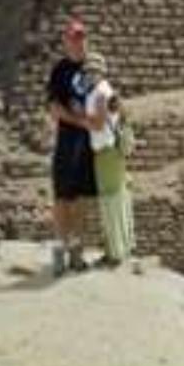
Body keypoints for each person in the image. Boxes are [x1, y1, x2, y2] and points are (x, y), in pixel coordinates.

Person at [45, 17, 99, 274]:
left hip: (89, 146)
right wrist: (81, 120)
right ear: (66, 42)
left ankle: (77, 253)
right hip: (68, 144)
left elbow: (103, 104)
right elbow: (55, 109)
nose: (79, 42)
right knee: (62, 199)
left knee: (81, 200)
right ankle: (59, 251)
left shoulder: (93, 71)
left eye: (82, 37)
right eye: (74, 38)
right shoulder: (60, 71)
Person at [80, 52, 135, 267]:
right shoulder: (105, 90)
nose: (89, 75)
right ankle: (119, 248)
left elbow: (98, 125)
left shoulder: (100, 93)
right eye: (88, 71)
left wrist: (77, 119)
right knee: (117, 199)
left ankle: (114, 253)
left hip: (106, 154)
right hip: (110, 153)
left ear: (100, 72)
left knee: (110, 201)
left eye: (93, 71)